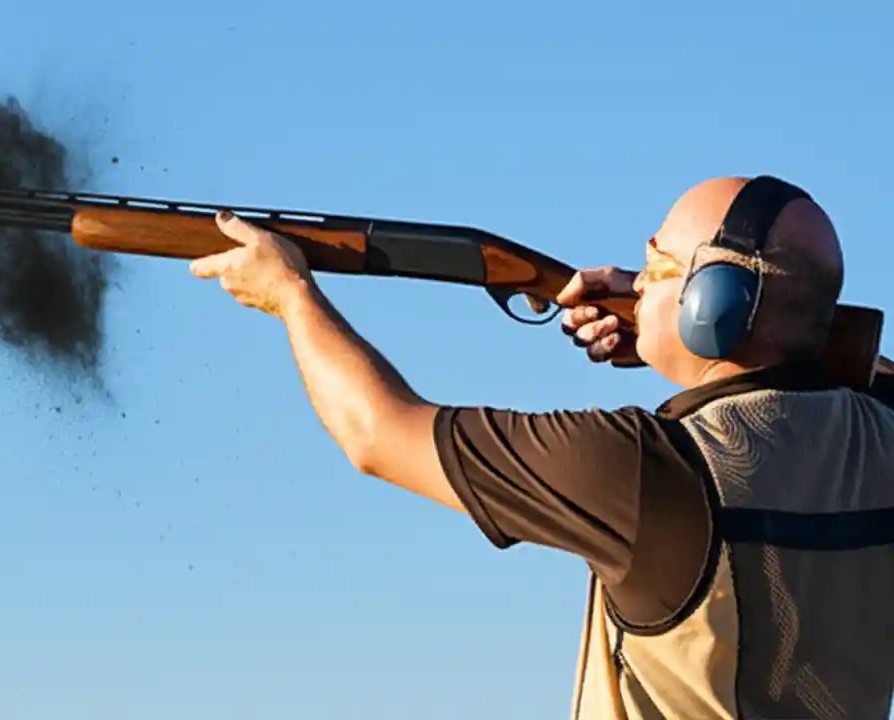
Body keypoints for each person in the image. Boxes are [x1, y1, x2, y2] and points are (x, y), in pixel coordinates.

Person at [188, 175, 894, 719]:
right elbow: (812, 378)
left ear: (713, 306)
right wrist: (672, 339)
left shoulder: (647, 467)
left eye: (659, 261)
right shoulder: (882, 438)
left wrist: (290, 293)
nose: (637, 275)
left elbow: (376, 432)